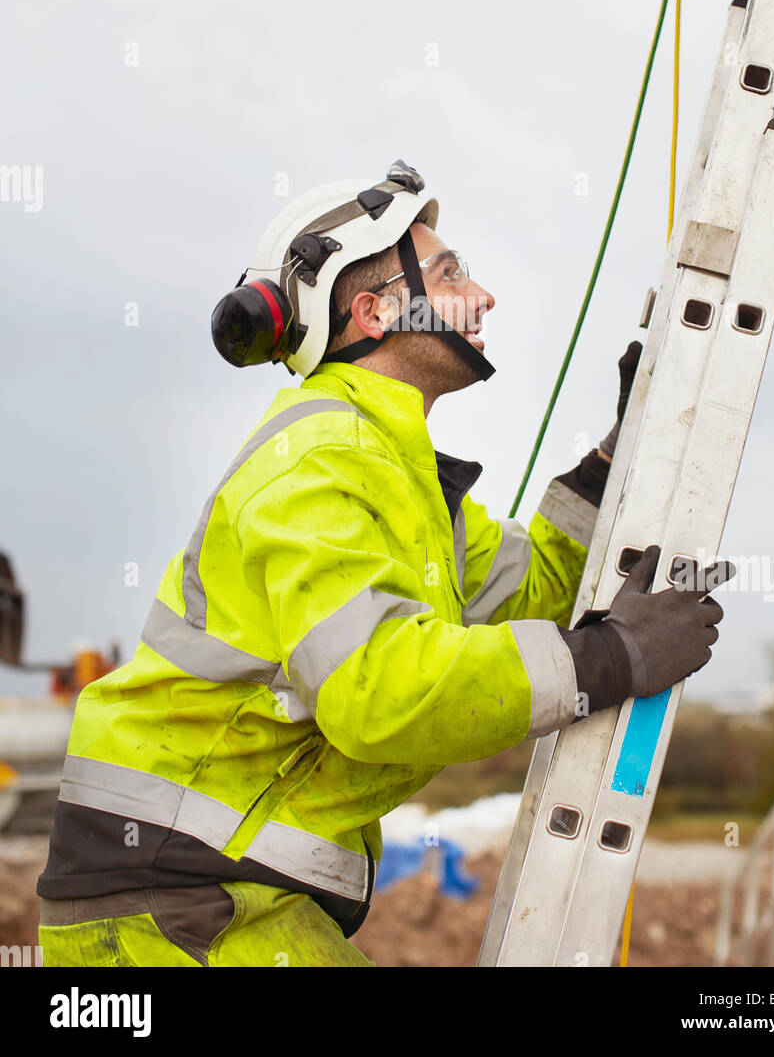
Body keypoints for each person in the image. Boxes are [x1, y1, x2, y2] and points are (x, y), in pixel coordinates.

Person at [37, 160, 727, 967]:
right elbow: (379, 688)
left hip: (218, 898)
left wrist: (612, 461)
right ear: (371, 310)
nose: (484, 296)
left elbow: (536, 592)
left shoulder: (395, 474)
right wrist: (611, 657)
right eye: (450, 274)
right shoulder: (317, 460)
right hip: (173, 908)